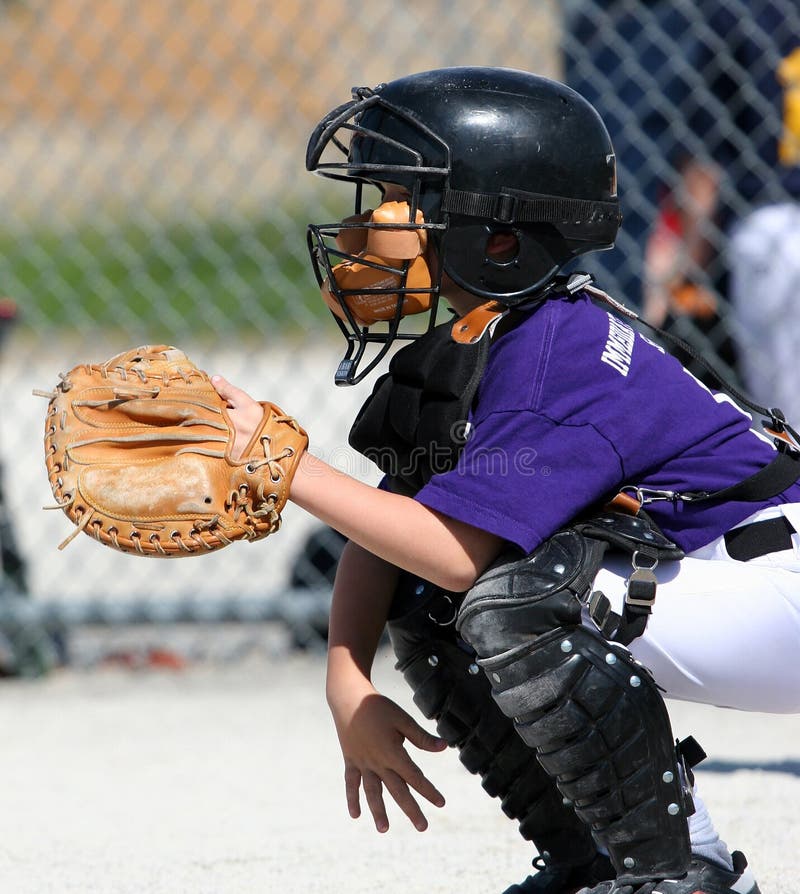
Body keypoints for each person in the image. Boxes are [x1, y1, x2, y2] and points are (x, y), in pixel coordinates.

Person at [211, 68, 800, 893]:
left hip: (778, 587)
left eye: (395, 202)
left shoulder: (561, 352)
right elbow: (395, 528)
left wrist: (288, 468)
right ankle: (593, 859)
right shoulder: (476, 340)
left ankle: (681, 870)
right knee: (437, 599)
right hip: (723, 581)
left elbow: (453, 552)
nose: (360, 231)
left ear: (495, 237)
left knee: (516, 597)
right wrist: (346, 680)